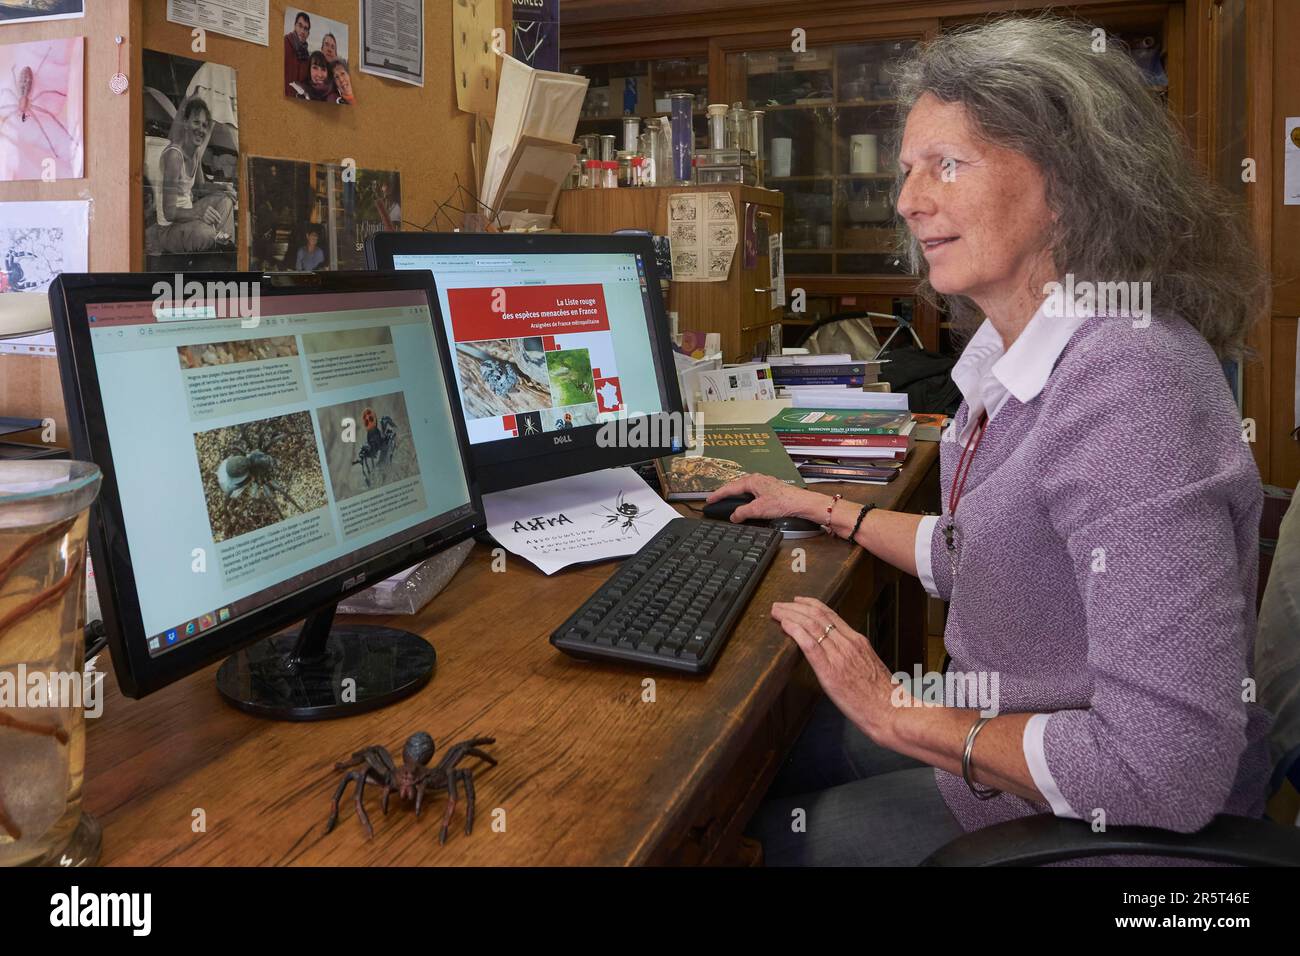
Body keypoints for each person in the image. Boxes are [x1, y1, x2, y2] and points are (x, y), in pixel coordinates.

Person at [712, 15, 1272, 866]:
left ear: (1070, 177)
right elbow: (994, 551)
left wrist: (899, 713)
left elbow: (1166, 769)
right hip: (1001, 736)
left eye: (947, 165)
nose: (907, 199)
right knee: (767, 763)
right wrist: (818, 507)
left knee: (753, 831)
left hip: (1100, 823)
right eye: (907, 171)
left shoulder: (1130, 383)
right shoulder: (1017, 356)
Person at [148, 96, 235, 255]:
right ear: (185, 123)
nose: (201, 129)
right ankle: (218, 242)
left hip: (188, 217)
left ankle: (222, 244)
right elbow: (169, 212)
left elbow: (200, 187)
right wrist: (199, 213)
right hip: (169, 230)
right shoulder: (175, 156)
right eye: (196, 122)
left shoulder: (195, 154)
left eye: (204, 125)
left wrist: (224, 187)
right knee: (206, 233)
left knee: (226, 200)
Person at [283, 11, 310, 97]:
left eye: (306, 29)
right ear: (295, 26)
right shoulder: (284, 43)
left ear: (308, 34)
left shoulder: (307, 56)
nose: (302, 31)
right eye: (300, 25)